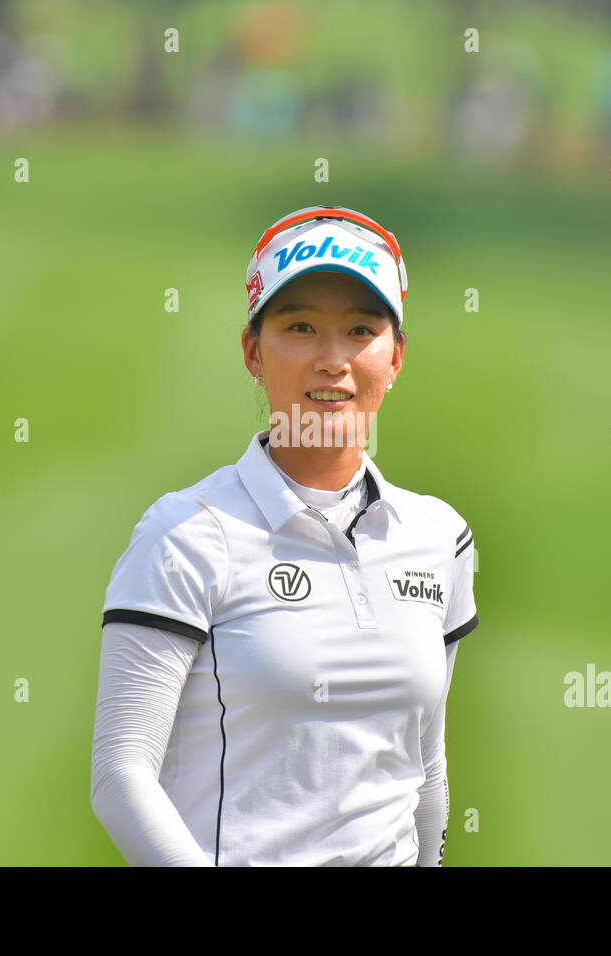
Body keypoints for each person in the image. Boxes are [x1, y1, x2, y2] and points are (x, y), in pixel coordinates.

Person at [91, 205, 478, 866]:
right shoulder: (186, 534)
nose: (333, 360)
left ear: (396, 358)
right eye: (301, 327)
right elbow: (121, 778)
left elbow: (424, 766)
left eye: (360, 330)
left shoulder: (439, 538)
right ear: (253, 350)